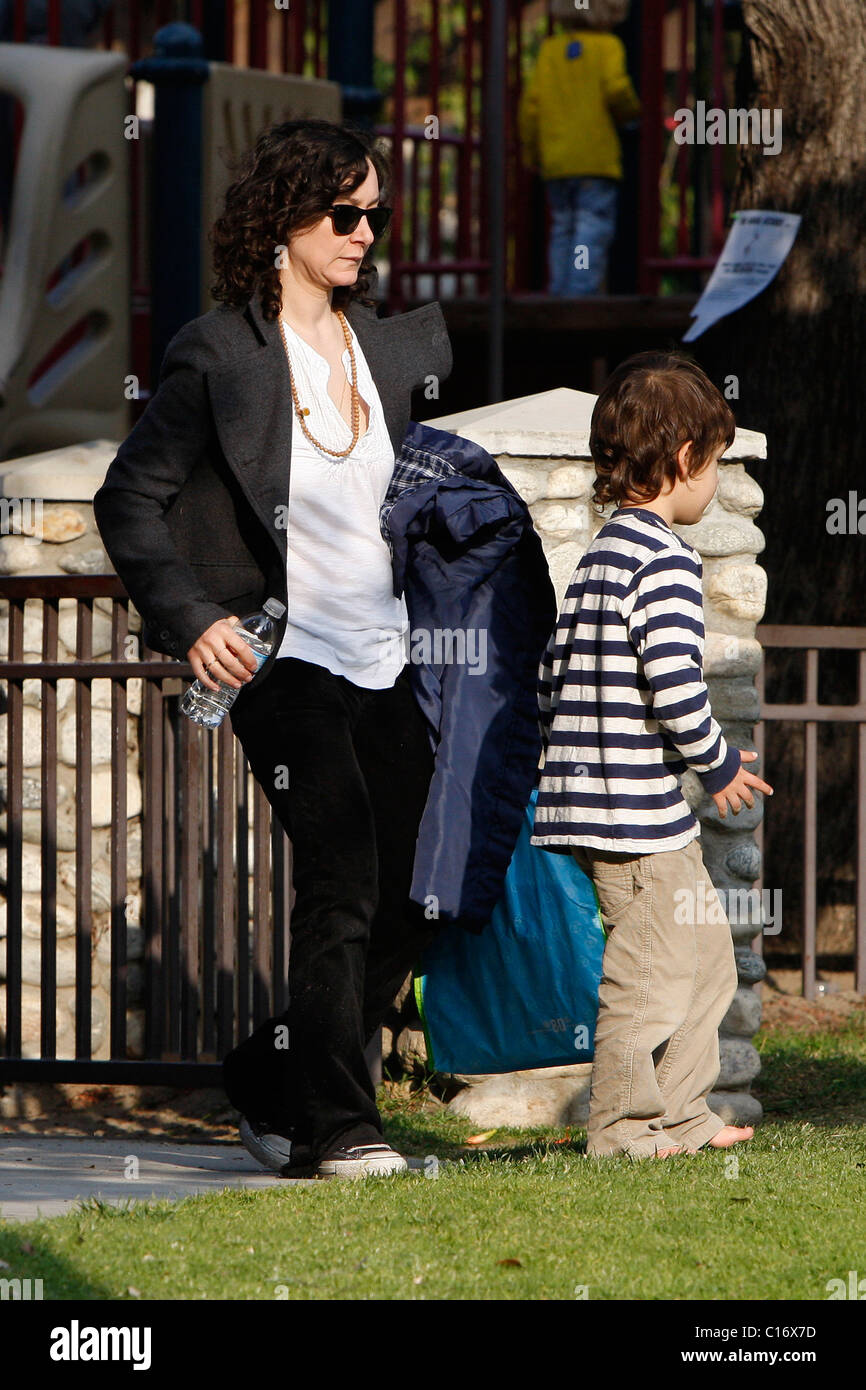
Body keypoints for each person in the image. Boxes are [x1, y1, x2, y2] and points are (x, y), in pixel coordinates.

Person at [93, 118, 453, 1180]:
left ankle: (266, 1076)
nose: (362, 232)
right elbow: (131, 498)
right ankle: (340, 1128)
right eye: (342, 213)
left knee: (416, 894)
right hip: (281, 655)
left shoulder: (388, 348)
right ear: (284, 217)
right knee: (341, 875)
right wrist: (192, 621)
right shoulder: (222, 354)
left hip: (390, 656)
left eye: (374, 215)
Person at [531, 350, 773, 1158]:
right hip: (634, 818)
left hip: (614, 808)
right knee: (651, 975)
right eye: (717, 462)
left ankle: (682, 1113)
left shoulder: (601, 554)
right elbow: (675, 686)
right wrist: (720, 765)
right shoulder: (666, 559)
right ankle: (621, 1126)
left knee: (703, 959)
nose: (716, 481)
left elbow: (550, 673)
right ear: (683, 461)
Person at [518, 0, 640, 296]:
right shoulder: (608, 46)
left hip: (557, 161)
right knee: (590, 229)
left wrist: (532, 153)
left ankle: (560, 289)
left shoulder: (550, 50)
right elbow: (616, 90)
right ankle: (579, 290)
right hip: (595, 160)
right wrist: (634, 114)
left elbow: (530, 109)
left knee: (562, 228)